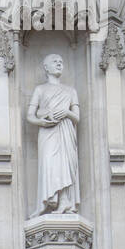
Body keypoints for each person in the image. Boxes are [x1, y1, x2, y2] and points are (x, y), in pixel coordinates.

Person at [26, 53, 80, 216]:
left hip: (66, 130)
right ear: (46, 67)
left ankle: (64, 202)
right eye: (54, 61)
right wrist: (42, 121)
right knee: (49, 164)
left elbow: (77, 117)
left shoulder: (70, 91)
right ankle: (46, 202)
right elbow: (30, 115)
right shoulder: (40, 89)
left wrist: (66, 112)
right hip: (48, 131)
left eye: (61, 61)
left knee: (65, 164)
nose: (59, 63)